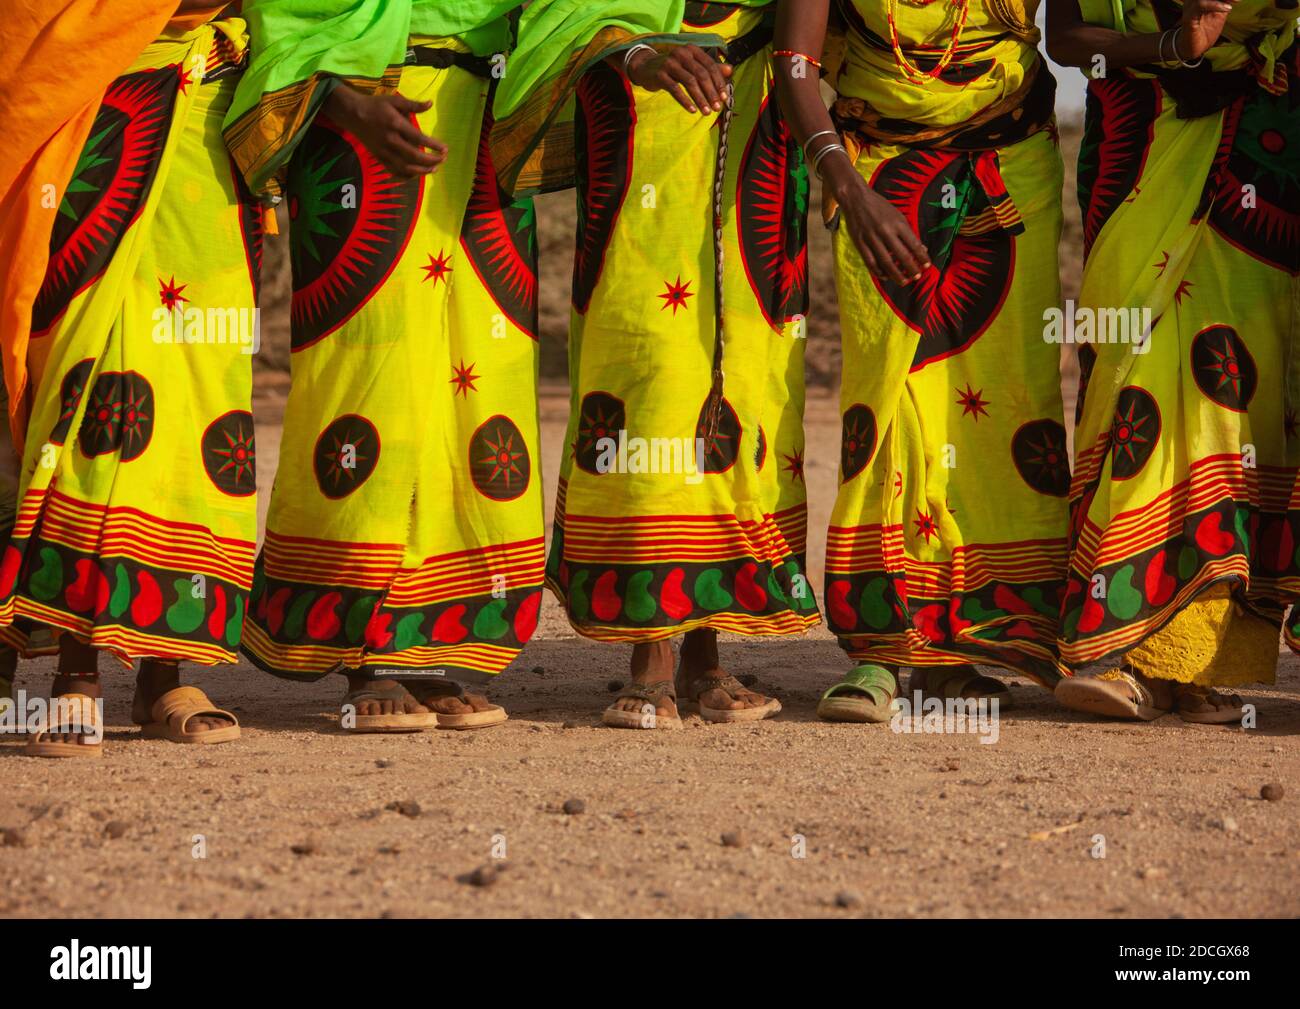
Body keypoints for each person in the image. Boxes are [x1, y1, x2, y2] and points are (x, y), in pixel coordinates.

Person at [492, 0, 820, 730]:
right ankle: (650, 656)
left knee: (735, 389)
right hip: (639, 152)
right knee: (650, 379)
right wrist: (637, 54)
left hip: (752, 162)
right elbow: (556, 18)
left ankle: (705, 652)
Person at [225, 0, 544, 730]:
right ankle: (365, 650)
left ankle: (434, 640)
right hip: (364, 101)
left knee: (474, 374)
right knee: (372, 377)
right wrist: (342, 97)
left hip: (492, 103)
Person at [772, 0, 1070, 722]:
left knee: (1000, 399)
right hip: (877, 172)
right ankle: (881, 647)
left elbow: (1071, 30)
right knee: (887, 393)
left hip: (1013, 161)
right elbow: (793, 67)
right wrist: (847, 187)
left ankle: (961, 648)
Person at [0, 1, 257, 756]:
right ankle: (77, 670)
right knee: (95, 382)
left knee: (193, 391)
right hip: (93, 105)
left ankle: (161, 667)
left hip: (211, 112)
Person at [1047, 0, 1298, 721]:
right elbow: (1066, 41)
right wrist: (1172, 47)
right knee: (1135, 378)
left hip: (1256, 160)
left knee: (1231, 404)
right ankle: (1103, 643)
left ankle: (1184, 663)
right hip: (1141, 153)